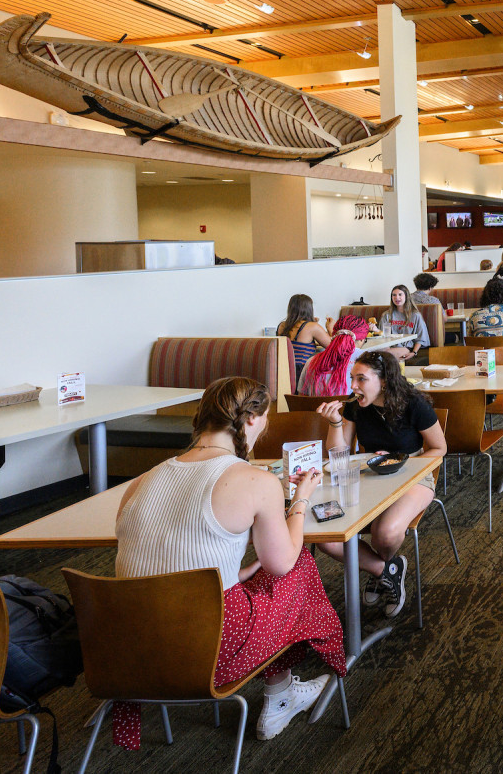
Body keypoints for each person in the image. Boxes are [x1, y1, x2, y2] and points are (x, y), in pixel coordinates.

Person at [114, 377, 344, 746]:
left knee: (251, 578)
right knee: (297, 563)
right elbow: (281, 563)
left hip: (128, 652)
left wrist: (232, 574)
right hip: (206, 651)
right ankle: (280, 694)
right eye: (265, 418)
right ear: (251, 418)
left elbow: (169, 554)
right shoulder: (255, 480)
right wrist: (300, 499)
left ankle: (280, 689)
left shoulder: (140, 482)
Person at [316, 352, 445, 617]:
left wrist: (401, 460)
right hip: (370, 474)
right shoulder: (355, 406)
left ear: (384, 381)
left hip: (415, 474)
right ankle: (385, 569)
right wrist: (335, 423)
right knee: (325, 537)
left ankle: (381, 568)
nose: (353, 386)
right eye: (352, 378)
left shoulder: (414, 403)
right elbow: (340, 456)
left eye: (361, 379)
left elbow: (439, 448)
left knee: (383, 534)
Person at [298, 313, 368, 396]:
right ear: (362, 339)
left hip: (316, 408)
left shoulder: (311, 362)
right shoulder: (369, 361)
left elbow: (302, 398)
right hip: (350, 408)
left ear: (334, 335)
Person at [277, 294, 331, 380]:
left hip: (283, 370)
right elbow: (334, 346)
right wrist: (330, 328)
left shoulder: (281, 326)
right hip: (302, 372)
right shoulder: (312, 326)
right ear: (309, 309)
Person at [379, 285, 429, 364]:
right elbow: (382, 336)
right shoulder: (386, 315)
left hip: (405, 347)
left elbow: (421, 338)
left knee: (385, 355)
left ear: (406, 296)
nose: (397, 298)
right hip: (388, 346)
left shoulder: (416, 315)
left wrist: (414, 352)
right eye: (394, 295)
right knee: (377, 353)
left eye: (400, 294)